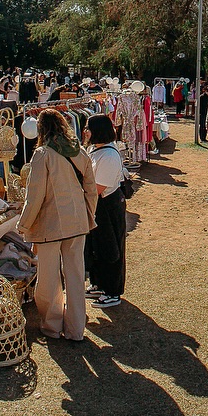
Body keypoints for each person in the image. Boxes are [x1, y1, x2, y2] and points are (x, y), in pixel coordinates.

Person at [19, 108, 98, 340]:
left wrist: (24, 224)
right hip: (76, 222)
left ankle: (52, 326)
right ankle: (75, 329)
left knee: (49, 279)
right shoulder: (80, 152)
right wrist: (87, 215)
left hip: (50, 224)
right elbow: (91, 190)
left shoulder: (43, 154)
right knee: (75, 276)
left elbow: (34, 196)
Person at [83, 115, 126, 309]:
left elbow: (97, 188)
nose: (85, 132)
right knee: (97, 246)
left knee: (111, 248)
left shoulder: (109, 156)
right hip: (97, 205)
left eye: (88, 128)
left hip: (108, 205)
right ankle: (98, 283)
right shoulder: (95, 150)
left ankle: (112, 291)